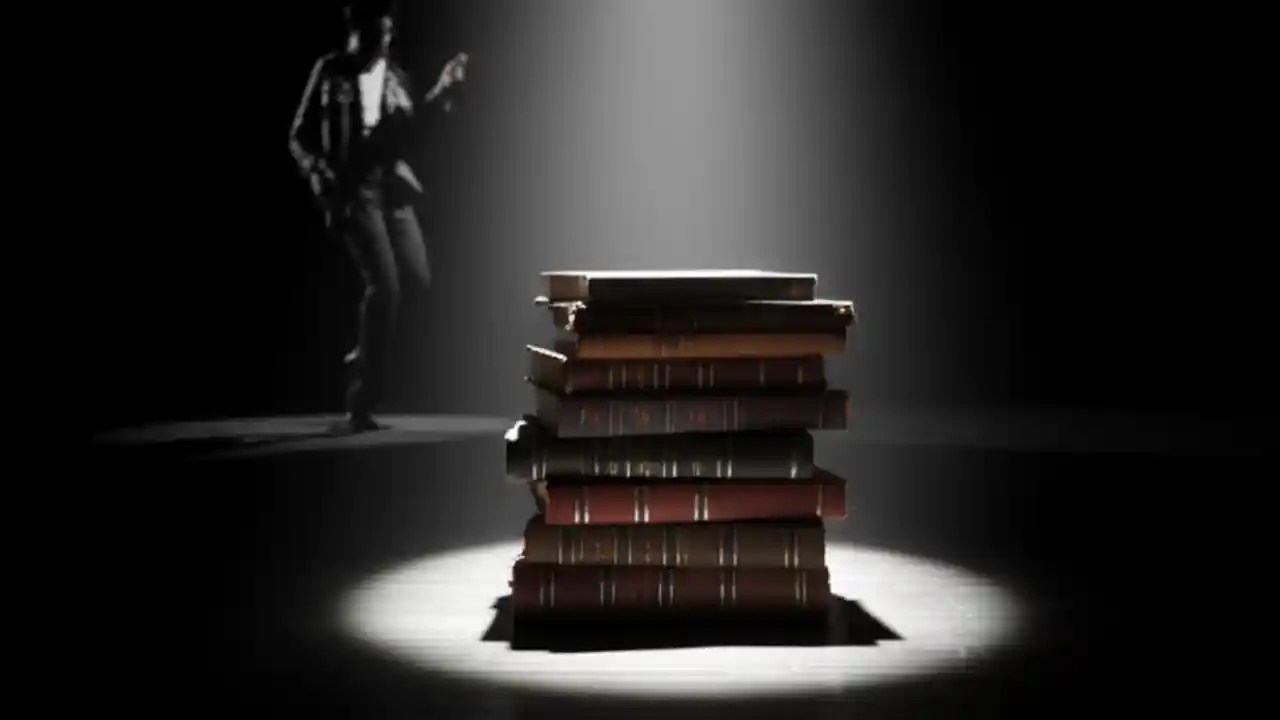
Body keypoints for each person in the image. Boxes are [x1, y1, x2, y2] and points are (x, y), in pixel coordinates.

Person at [289, 1, 468, 432]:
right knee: (385, 287)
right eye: (372, 35)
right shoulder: (331, 71)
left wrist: (443, 90)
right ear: (355, 31)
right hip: (355, 189)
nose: (380, 43)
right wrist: (318, 173)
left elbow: (414, 128)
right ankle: (362, 400)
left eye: (385, 35)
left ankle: (364, 351)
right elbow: (298, 136)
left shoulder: (394, 78)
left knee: (417, 281)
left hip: (392, 189)